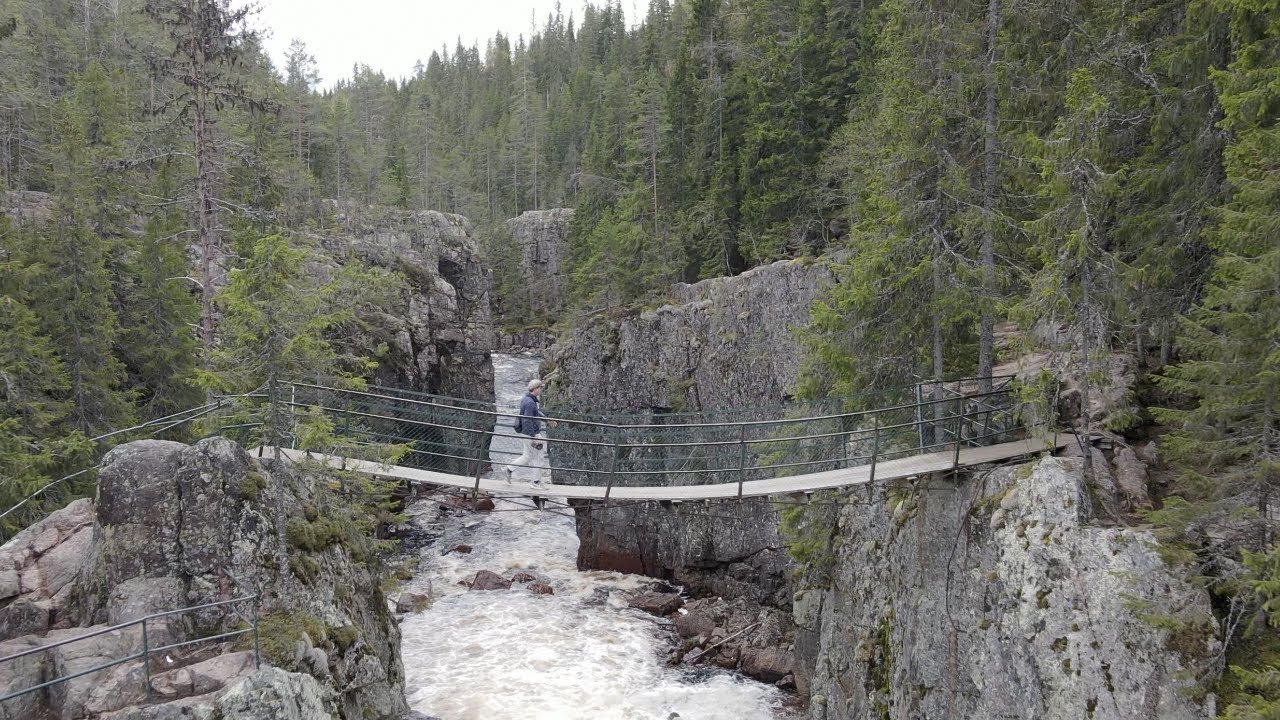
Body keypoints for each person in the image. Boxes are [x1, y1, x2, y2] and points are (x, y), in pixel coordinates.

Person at [506, 378, 558, 485]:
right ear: (535, 389)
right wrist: (533, 436)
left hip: (527, 433)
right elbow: (527, 420)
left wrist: (546, 419)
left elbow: (536, 412)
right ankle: (536, 482)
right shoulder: (530, 402)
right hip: (531, 433)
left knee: (527, 456)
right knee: (538, 457)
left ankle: (509, 469)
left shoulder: (528, 399)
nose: (541, 390)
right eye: (540, 388)